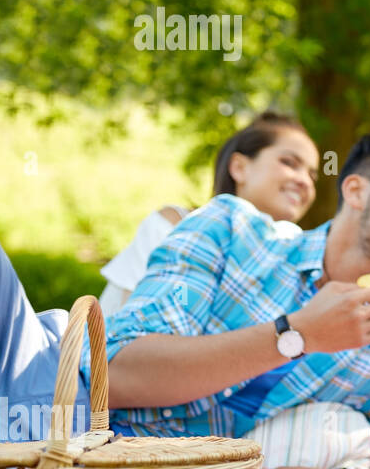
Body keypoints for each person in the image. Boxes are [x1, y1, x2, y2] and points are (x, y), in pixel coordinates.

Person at [90, 126, 370, 469]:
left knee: (346, 428)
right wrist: (296, 334)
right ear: (356, 191)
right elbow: (113, 376)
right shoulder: (230, 229)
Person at [99, 112, 318, 316]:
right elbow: (128, 332)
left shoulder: (295, 271)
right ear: (239, 168)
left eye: (313, 176)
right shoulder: (171, 228)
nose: (305, 182)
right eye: (289, 163)